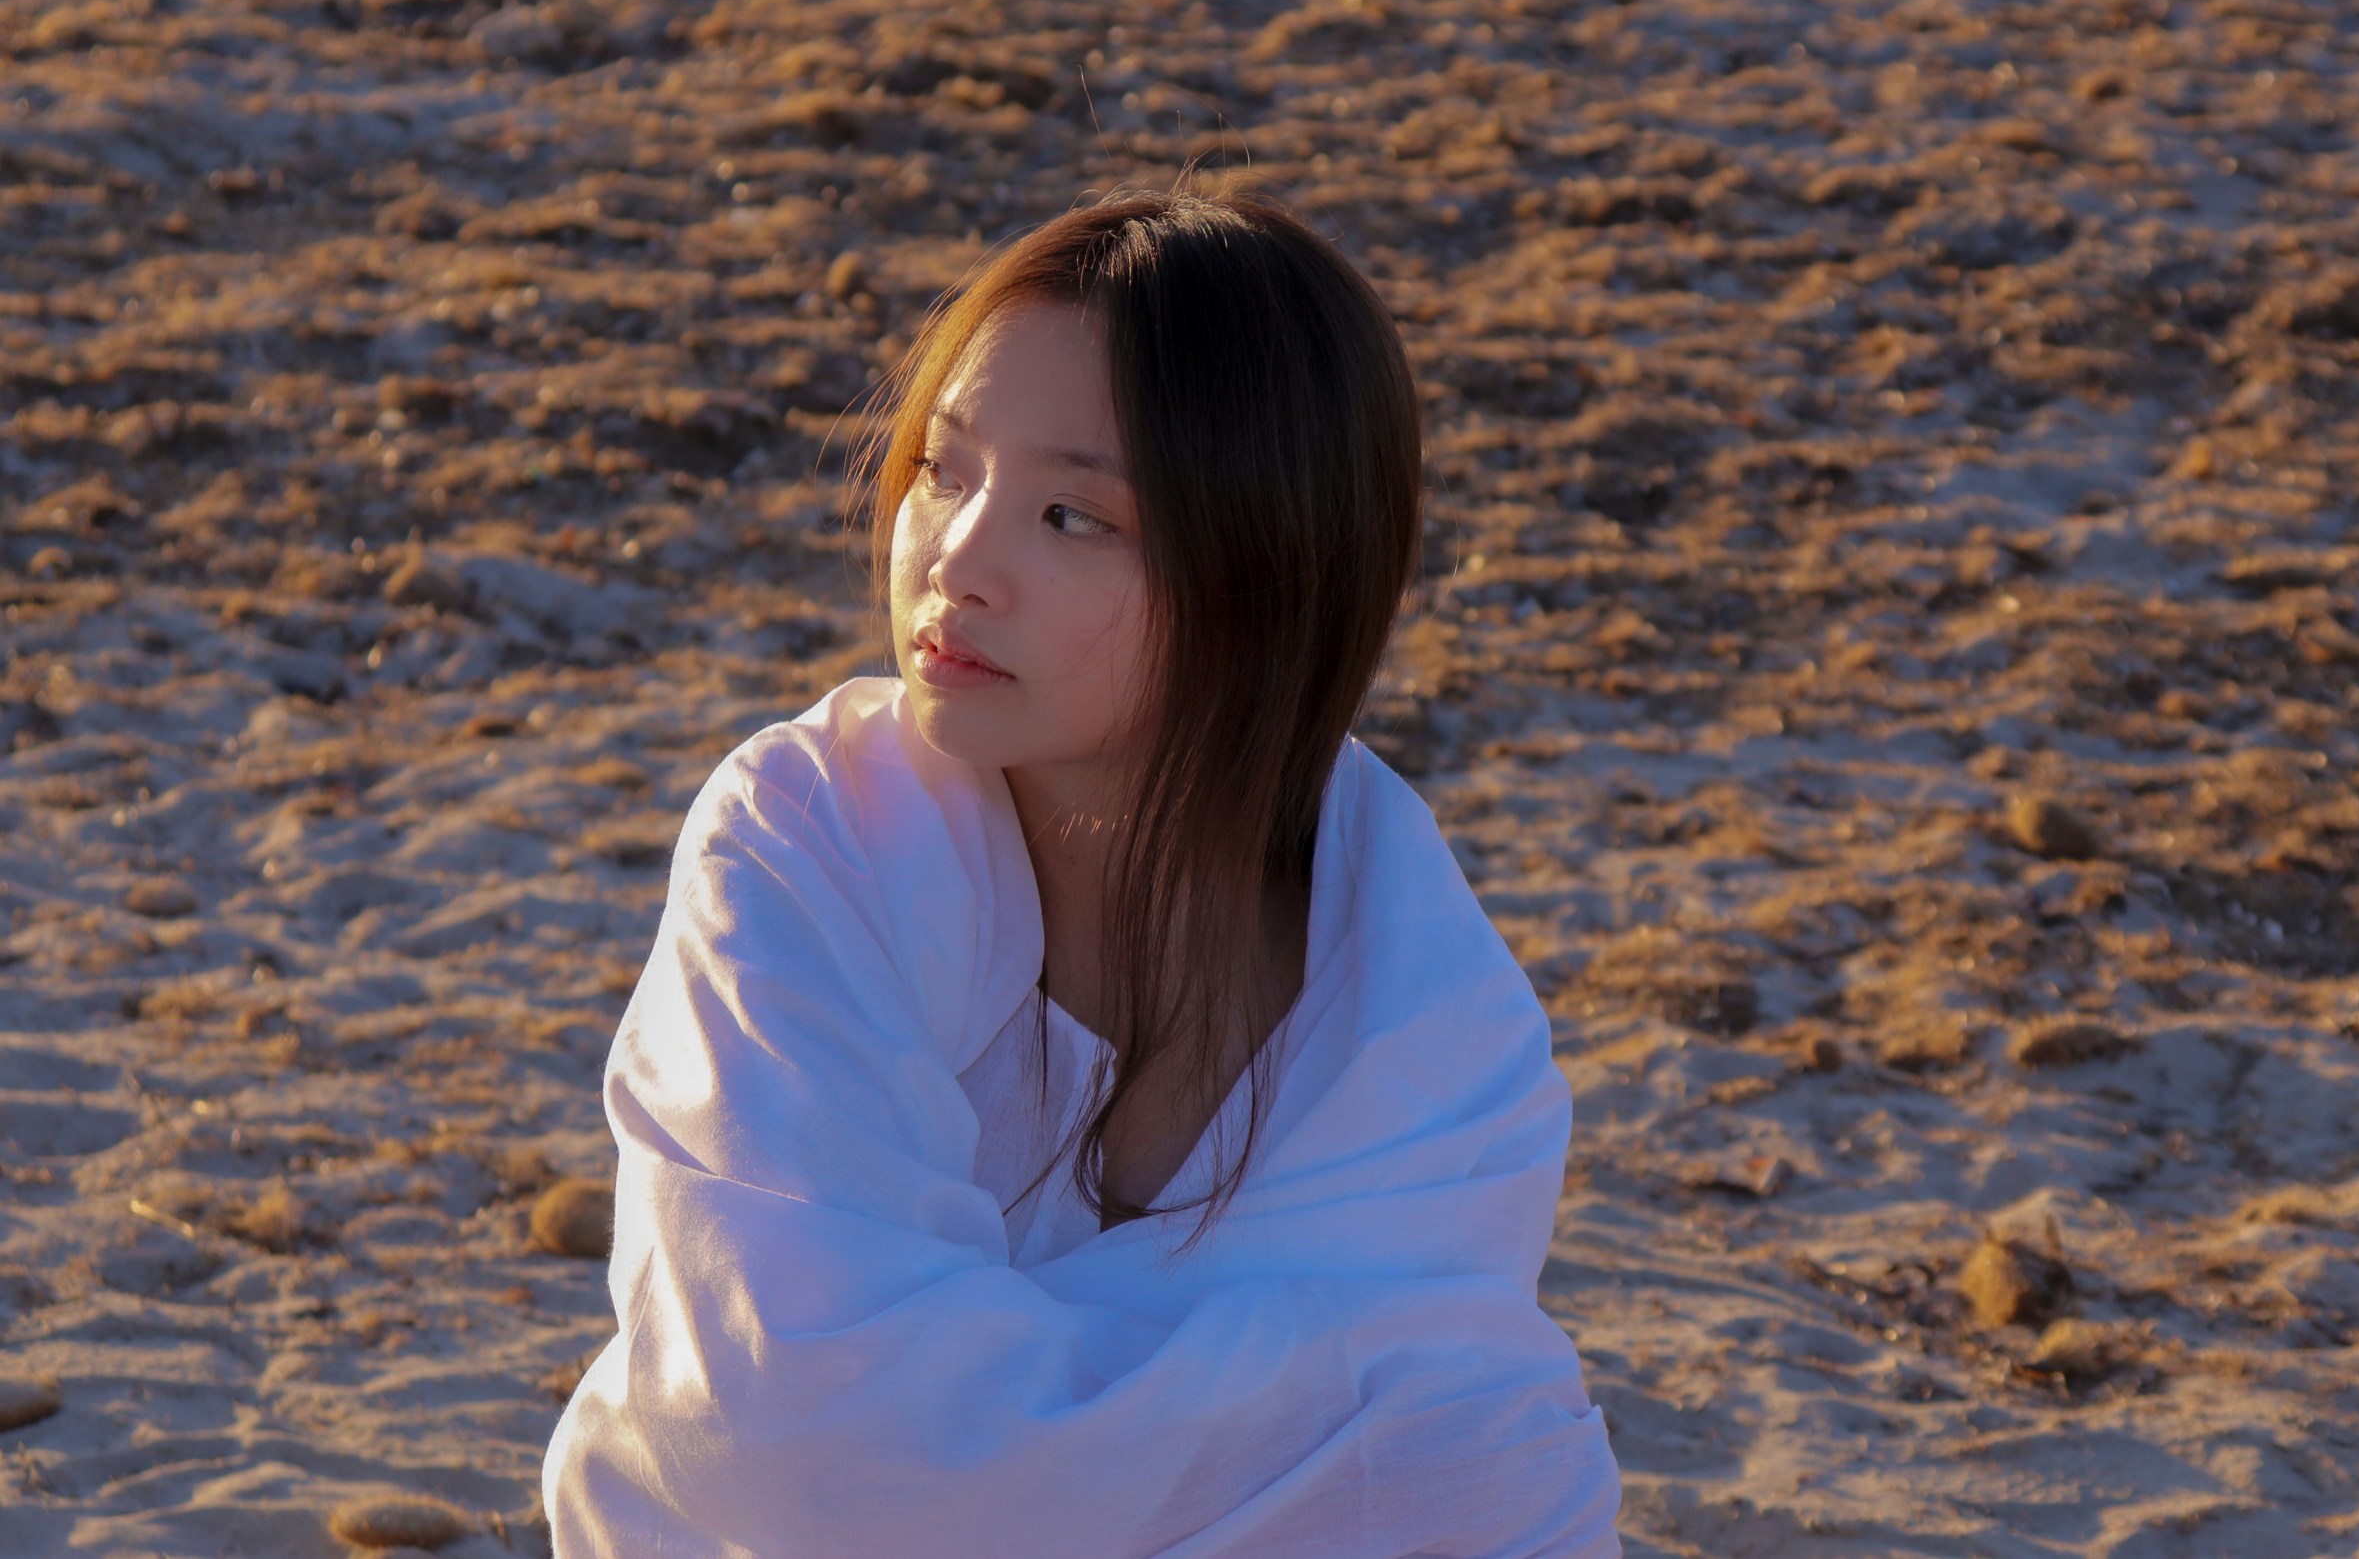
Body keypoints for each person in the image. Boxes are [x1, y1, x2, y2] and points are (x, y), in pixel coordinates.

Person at [540, 189, 1623, 1555]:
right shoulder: (806, 835)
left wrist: (1003, 1396)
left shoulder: (1431, 1024)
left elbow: (1482, 1480)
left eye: (1070, 516)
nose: (957, 558)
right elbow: (793, 1429)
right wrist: (1296, 1415)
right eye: (944, 470)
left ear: (1263, 576)